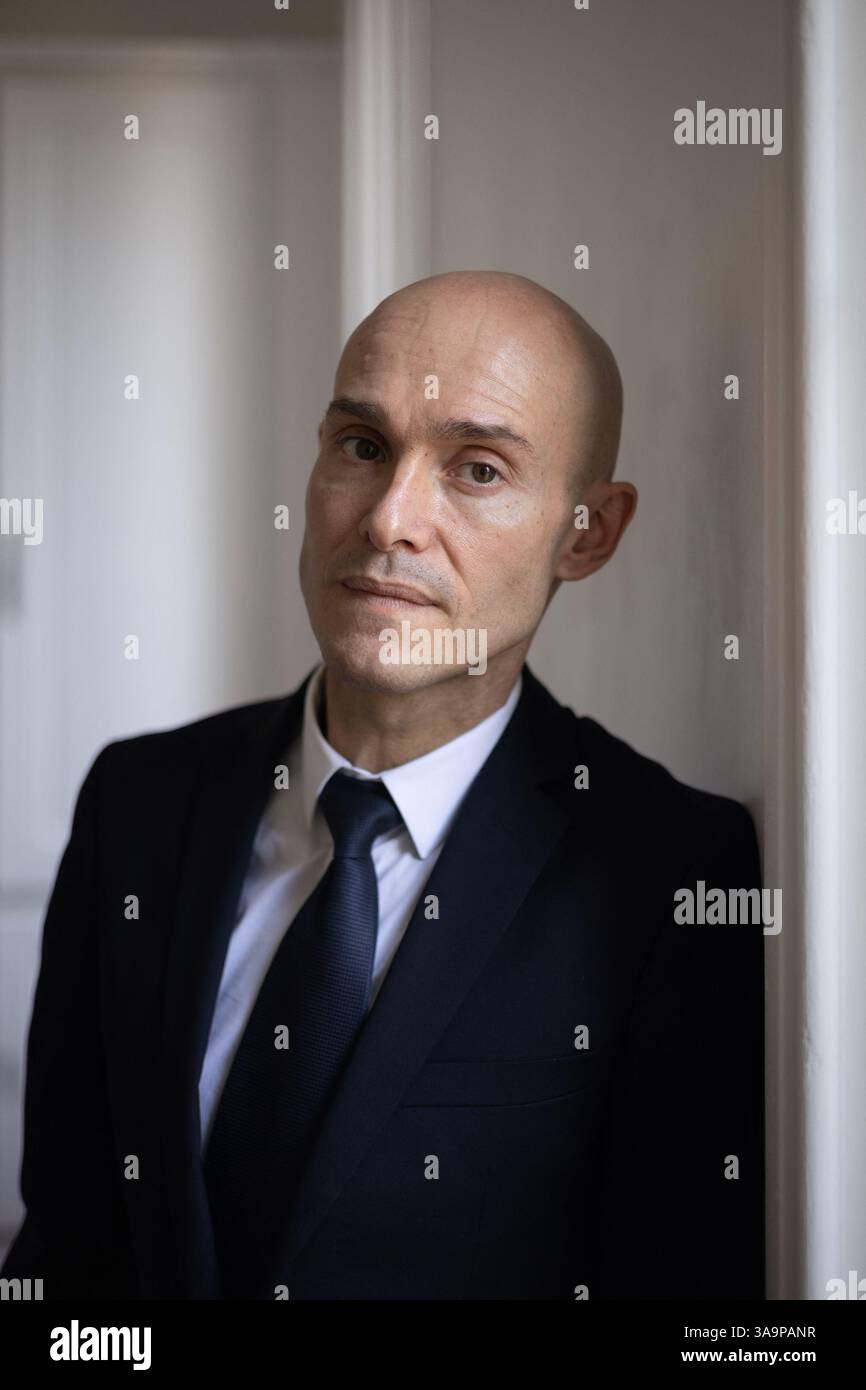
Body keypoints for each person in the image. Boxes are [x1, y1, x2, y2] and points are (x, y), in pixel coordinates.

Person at [2, 271, 764, 1300]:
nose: (388, 519)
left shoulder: (665, 871)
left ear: (586, 532)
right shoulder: (138, 799)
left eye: (478, 468)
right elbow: (66, 1235)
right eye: (361, 446)